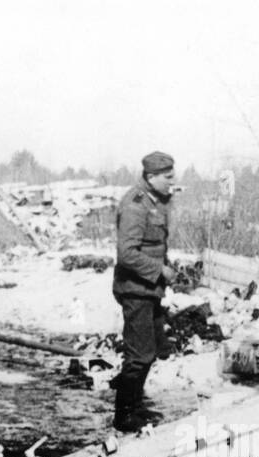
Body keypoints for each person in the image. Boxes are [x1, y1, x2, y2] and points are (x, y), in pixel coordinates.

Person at [112, 150, 178, 432]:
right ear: (151, 177)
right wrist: (159, 270)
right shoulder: (136, 205)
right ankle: (124, 415)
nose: (172, 180)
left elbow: (152, 245)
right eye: (168, 176)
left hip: (148, 289)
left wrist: (168, 267)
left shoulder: (155, 202)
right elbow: (126, 253)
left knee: (148, 351)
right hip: (135, 290)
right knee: (139, 354)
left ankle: (135, 406)